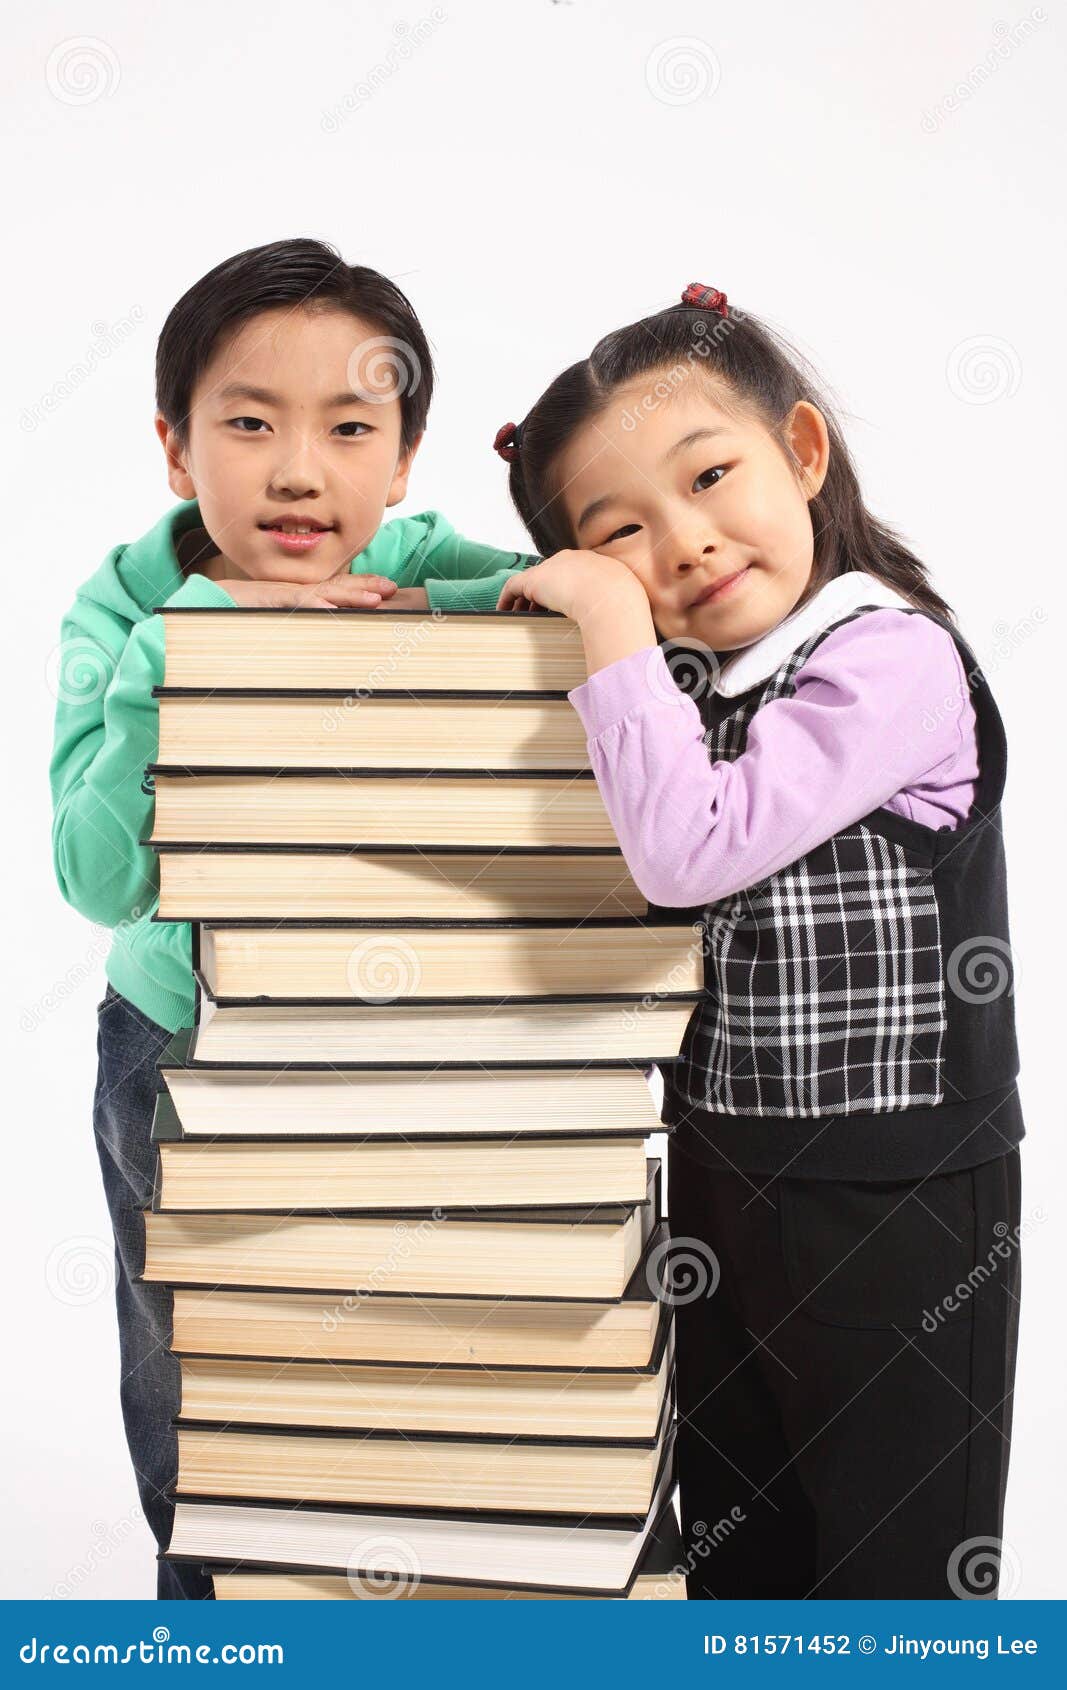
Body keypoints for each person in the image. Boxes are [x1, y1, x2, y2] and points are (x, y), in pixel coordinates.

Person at [492, 283, 1023, 1599]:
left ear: (801, 449)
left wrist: (608, 619)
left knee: (890, 1566)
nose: (685, 542)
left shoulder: (888, 658)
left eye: (712, 475)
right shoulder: (684, 689)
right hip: (721, 1181)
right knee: (737, 1546)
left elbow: (693, 846)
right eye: (620, 533)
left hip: (890, 1196)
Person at [49, 238, 535, 1598]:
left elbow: (546, 609)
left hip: (386, 1047)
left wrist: (449, 602)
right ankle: (210, 1616)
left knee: (379, 1380)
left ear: (406, 452)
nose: (300, 470)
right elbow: (95, 876)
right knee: (201, 1384)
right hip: (181, 1050)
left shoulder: (420, 555)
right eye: (249, 424)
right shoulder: (124, 605)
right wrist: (194, 637)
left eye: (350, 427)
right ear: (174, 446)